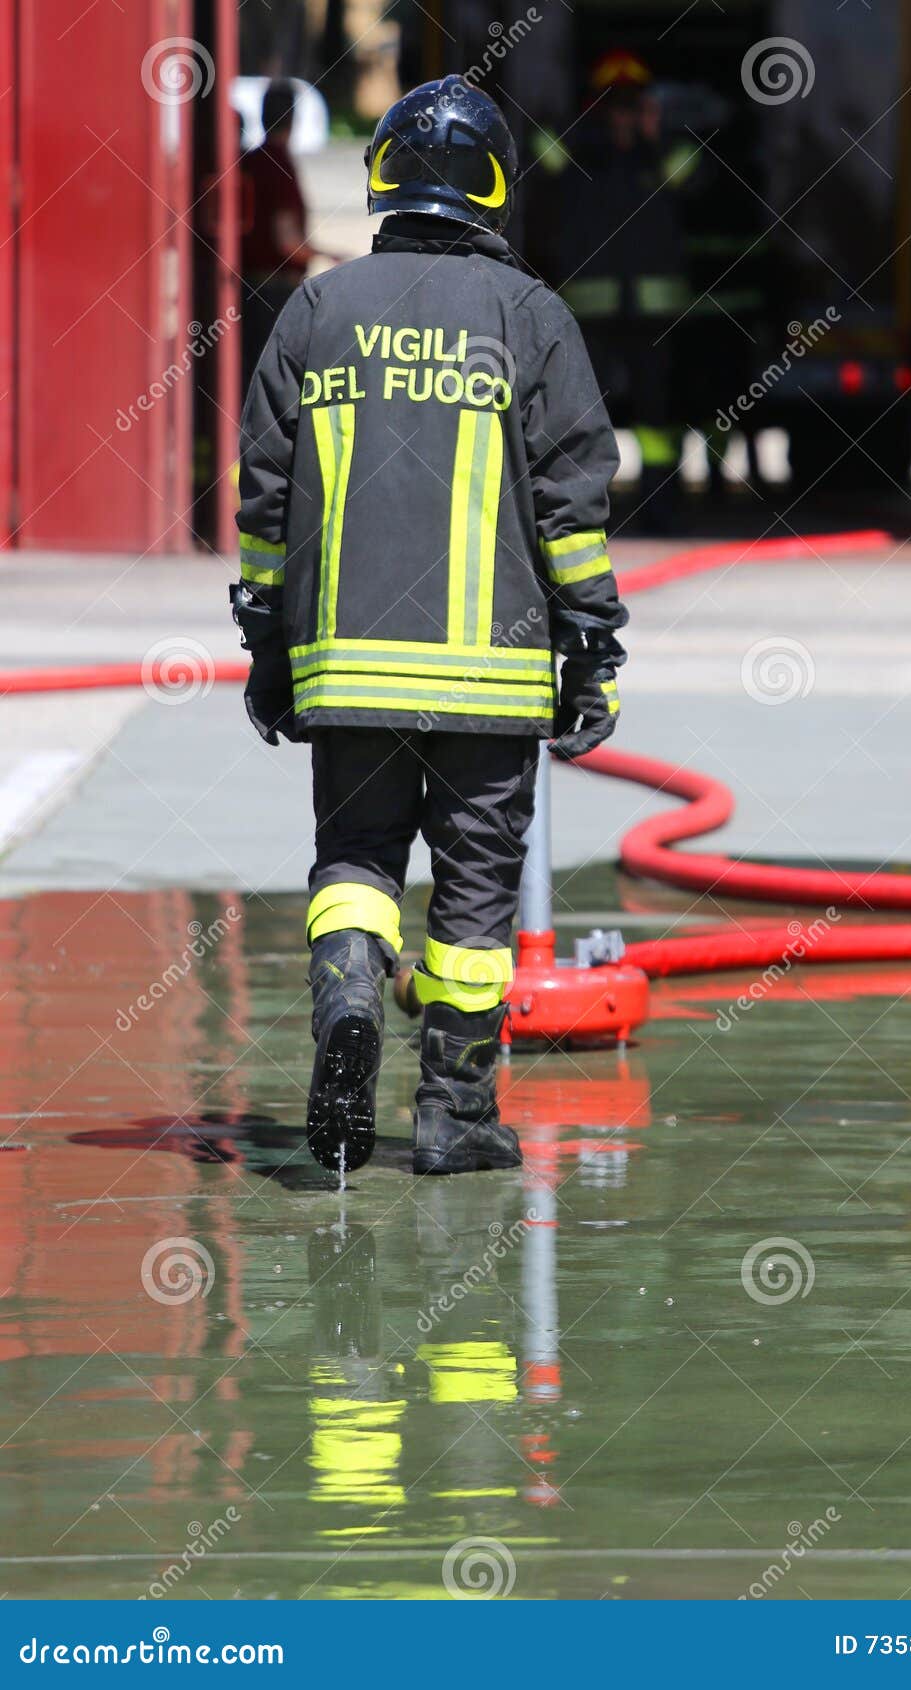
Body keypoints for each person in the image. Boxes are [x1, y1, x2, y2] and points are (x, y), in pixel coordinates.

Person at [230, 76, 628, 1178]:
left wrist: (267, 642)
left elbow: (264, 493)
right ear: (495, 187)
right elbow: (571, 502)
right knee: (473, 892)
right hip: (491, 684)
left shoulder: (320, 310)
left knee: (356, 857)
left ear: (385, 176)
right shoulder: (532, 317)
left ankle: (351, 995)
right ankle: (452, 1114)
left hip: (346, 668)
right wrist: (592, 644)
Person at [527, 51, 700, 531]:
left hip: (655, 311)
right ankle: (580, 510)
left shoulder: (664, 151)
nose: (622, 112)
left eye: (632, 102)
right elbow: (542, 152)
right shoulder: (579, 151)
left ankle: (660, 508)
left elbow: (690, 174)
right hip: (592, 311)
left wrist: (652, 136)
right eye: (613, 102)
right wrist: (586, 127)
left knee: (657, 416)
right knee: (581, 411)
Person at [239, 80, 326, 383]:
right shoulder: (280, 165)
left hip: (247, 286)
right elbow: (288, 241)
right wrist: (333, 257)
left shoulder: (250, 162)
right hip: (275, 290)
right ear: (293, 118)